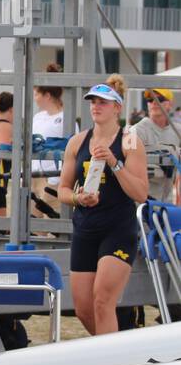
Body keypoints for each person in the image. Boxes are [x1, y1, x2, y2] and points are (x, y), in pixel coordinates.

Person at [57, 76, 148, 336]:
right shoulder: (78, 141)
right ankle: (116, 351)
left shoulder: (129, 141)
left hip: (118, 229)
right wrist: (78, 198)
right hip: (86, 227)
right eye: (93, 102)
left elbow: (141, 193)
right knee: (83, 309)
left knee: (102, 300)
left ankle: (110, 363)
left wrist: (114, 162)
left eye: (103, 102)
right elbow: (63, 189)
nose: (96, 107)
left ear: (117, 107)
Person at [130, 87, 181, 204]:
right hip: (141, 202)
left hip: (167, 201)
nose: (154, 103)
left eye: (160, 99)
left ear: (170, 104)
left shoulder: (177, 130)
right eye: (150, 99)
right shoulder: (136, 130)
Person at [32, 65, 65, 216]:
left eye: (37, 94)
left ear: (47, 95)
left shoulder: (66, 118)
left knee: (47, 227)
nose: (34, 98)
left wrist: (55, 180)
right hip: (31, 176)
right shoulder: (38, 117)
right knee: (30, 227)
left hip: (53, 179)